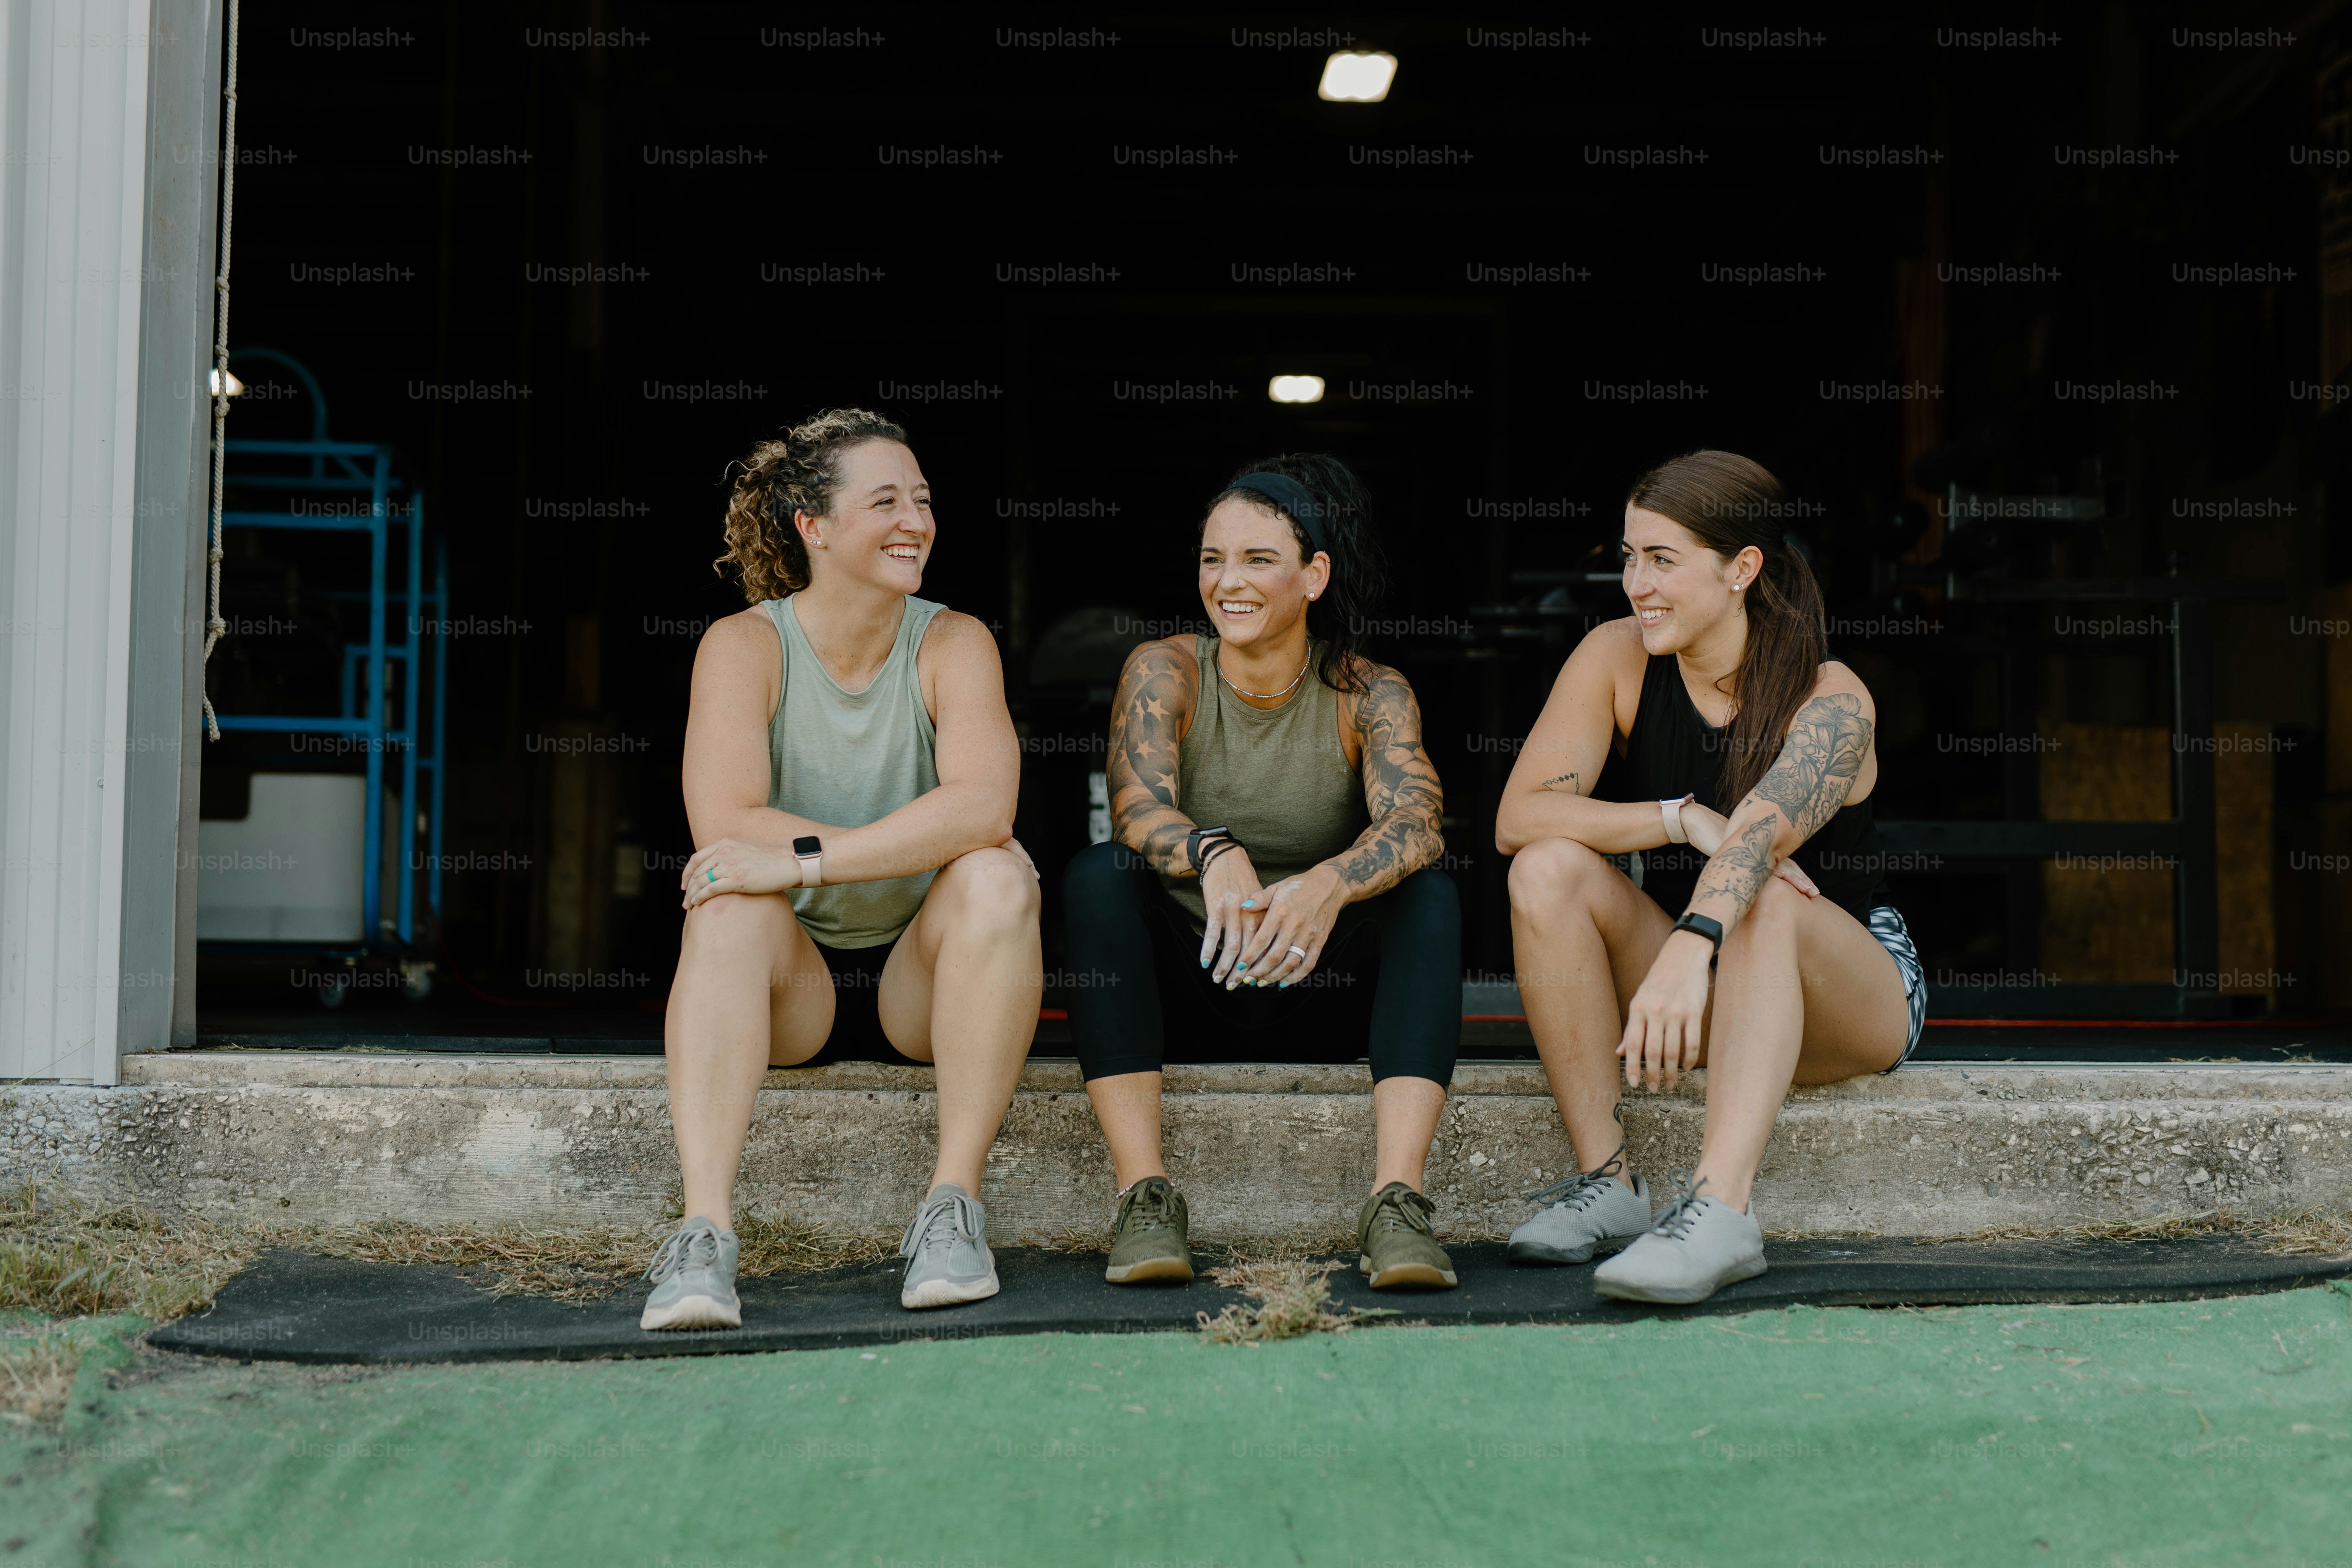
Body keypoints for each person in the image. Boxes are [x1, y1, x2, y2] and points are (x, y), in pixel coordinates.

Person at [1496, 449, 1926, 1305]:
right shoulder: (1616, 656)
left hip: (1849, 992)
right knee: (1547, 870)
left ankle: (1722, 1211)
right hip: (1717, 983)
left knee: (1761, 887)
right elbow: (1519, 818)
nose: (1635, 584)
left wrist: (1692, 947)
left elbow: (1759, 844)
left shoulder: (1830, 697)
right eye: (1627, 556)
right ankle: (1610, 1182)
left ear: (1742, 569)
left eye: (1662, 559)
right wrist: (1676, 815)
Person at [643, 408, 1042, 1330]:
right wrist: (889, 840)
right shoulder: (745, 646)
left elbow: (983, 808)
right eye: (886, 501)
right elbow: (728, 829)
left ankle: (950, 1210)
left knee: (998, 872)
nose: (916, 520)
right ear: (812, 526)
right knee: (727, 899)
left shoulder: (954, 641)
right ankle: (703, 1238)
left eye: (924, 500)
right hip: (793, 985)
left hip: (923, 979)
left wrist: (810, 852)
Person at [1064, 454, 1464, 1291]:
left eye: (1256, 560)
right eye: (1213, 559)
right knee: (1097, 873)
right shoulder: (1166, 668)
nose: (1227, 582)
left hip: (1321, 990)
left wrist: (1329, 882)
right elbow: (1135, 806)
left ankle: (1397, 1203)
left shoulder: (1369, 691)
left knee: (1430, 892)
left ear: (1315, 575)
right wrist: (1214, 850)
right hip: (1193, 985)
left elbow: (1417, 822)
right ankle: (1143, 1196)